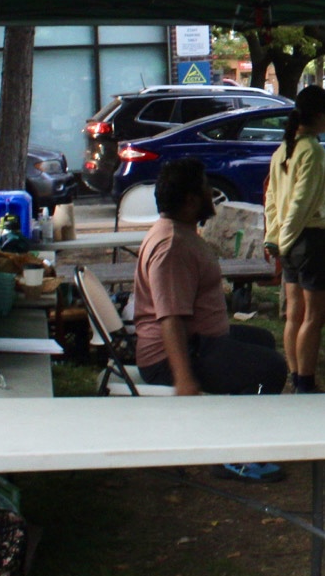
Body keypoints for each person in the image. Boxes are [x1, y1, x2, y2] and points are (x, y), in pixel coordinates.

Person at [134, 158, 287, 481]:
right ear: (191, 200)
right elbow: (170, 319)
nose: (211, 194)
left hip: (201, 341)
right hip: (174, 355)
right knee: (271, 368)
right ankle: (234, 455)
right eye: (205, 188)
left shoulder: (180, 232)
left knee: (263, 341)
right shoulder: (171, 247)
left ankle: (239, 435)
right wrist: (184, 380)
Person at [263, 85, 325, 393]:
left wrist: (275, 238)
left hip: (291, 240)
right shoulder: (313, 151)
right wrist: (284, 241)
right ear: (320, 115)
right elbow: (301, 202)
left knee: (294, 314)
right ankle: (306, 383)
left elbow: (272, 199)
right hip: (312, 239)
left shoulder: (284, 148)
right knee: (314, 317)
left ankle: (297, 377)